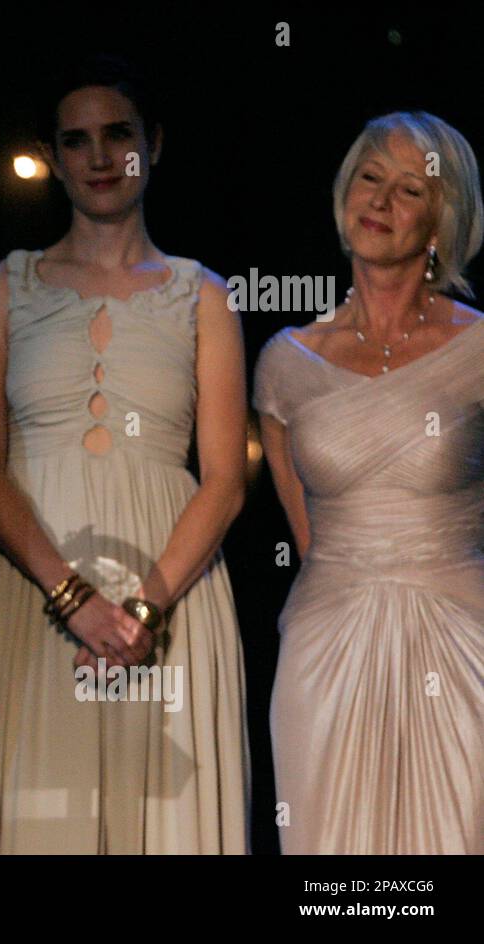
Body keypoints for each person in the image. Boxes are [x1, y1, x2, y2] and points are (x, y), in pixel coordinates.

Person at [0, 55, 250, 853]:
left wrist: (141, 612)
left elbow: (225, 482)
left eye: (117, 134)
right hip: (36, 585)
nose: (98, 156)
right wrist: (73, 601)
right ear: (53, 158)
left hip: (173, 591)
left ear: (152, 145)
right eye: (75, 140)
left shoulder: (204, 295)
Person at [255, 111, 484, 854]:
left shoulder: (478, 348)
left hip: (461, 641)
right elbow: (309, 536)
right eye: (369, 177)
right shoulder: (285, 360)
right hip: (327, 643)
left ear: (443, 222)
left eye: (409, 188)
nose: (380, 201)